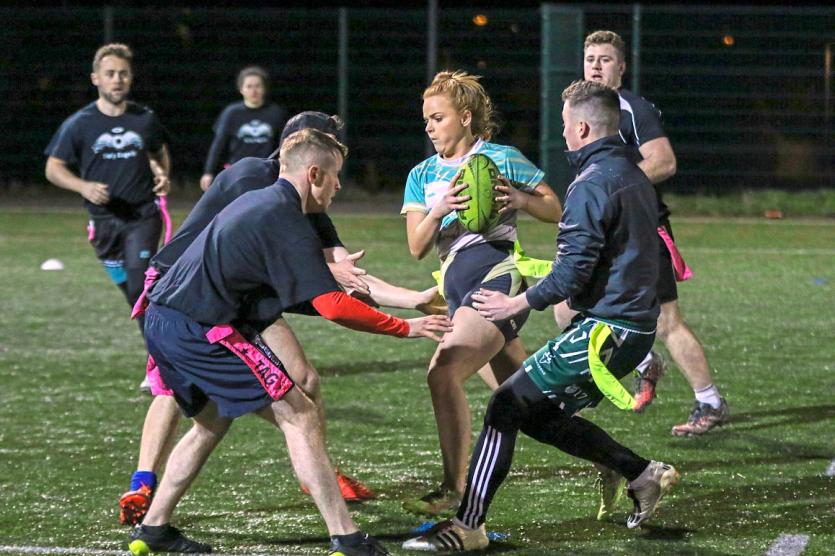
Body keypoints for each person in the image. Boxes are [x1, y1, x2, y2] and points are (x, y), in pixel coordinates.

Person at [128, 129, 450, 555]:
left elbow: (320, 290)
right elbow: (333, 306)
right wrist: (406, 327)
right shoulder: (283, 216)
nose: (338, 186)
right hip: (197, 326)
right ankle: (347, 538)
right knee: (298, 412)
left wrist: (411, 300)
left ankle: (154, 531)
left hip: (168, 319)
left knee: (210, 421)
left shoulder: (270, 205)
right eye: (335, 176)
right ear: (314, 173)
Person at [403, 80, 679, 553]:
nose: (564, 136)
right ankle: (638, 471)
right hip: (624, 324)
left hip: (607, 328)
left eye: (567, 126)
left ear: (584, 127)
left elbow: (573, 270)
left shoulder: (589, 184)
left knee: (503, 406)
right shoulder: (630, 172)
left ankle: (467, 523)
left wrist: (518, 303)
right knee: (534, 414)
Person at [401, 70, 562, 515]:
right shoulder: (422, 175)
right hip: (457, 292)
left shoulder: (501, 158)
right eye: (426, 119)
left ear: (466, 117)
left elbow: (554, 207)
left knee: (443, 371)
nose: (429, 127)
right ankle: (626, 467)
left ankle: (454, 488)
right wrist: (438, 210)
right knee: (530, 403)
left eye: (438, 117)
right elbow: (417, 246)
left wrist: (522, 200)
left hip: (497, 282)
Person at [578, 30, 729, 435]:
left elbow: (663, 162)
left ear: (621, 67)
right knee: (567, 305)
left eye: (605, 59)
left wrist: (612, 188)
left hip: (643, 231)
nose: (595, 65)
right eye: (590, 57)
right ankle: (645, 364)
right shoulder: (580, 112)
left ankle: (709, 401)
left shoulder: (633, 109)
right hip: (608, 232)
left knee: (666, 321)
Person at [44, 43, 170, 338]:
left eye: (123, 74)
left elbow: (158, 151)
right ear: (96, 79)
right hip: (103, 223)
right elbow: (53, 168)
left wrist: (162, 173)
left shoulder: (144, 119)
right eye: (110, 73)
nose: (117, 79)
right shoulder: (79, 124)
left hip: (142, 216)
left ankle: (161, 359)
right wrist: (82, 186)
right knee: (132, 293)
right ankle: (159, 349)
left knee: (140, 285)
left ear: (131, 78)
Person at [199, 66, 287, 191]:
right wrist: (208, 172)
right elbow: (218, 144)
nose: (254, 91)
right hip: (237, 172)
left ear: (264, 88)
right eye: (249, 86)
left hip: (267, 172)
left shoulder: (276, 113)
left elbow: (285, 145)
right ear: (241, 89)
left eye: (258, 86)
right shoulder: (232, 113)